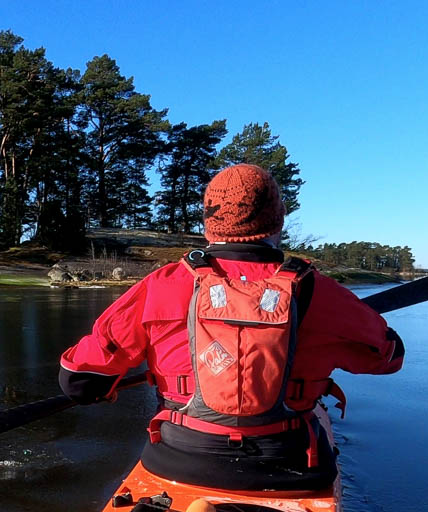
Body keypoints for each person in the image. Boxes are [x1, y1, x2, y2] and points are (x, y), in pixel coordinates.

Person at [59, 163, 404, 490]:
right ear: (278, 221)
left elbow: (79, 380)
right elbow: (388, 359)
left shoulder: (162, 285)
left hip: (179, 460)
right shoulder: (320, 291)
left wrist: (103, 387)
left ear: (209, 222)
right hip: (292, 465)